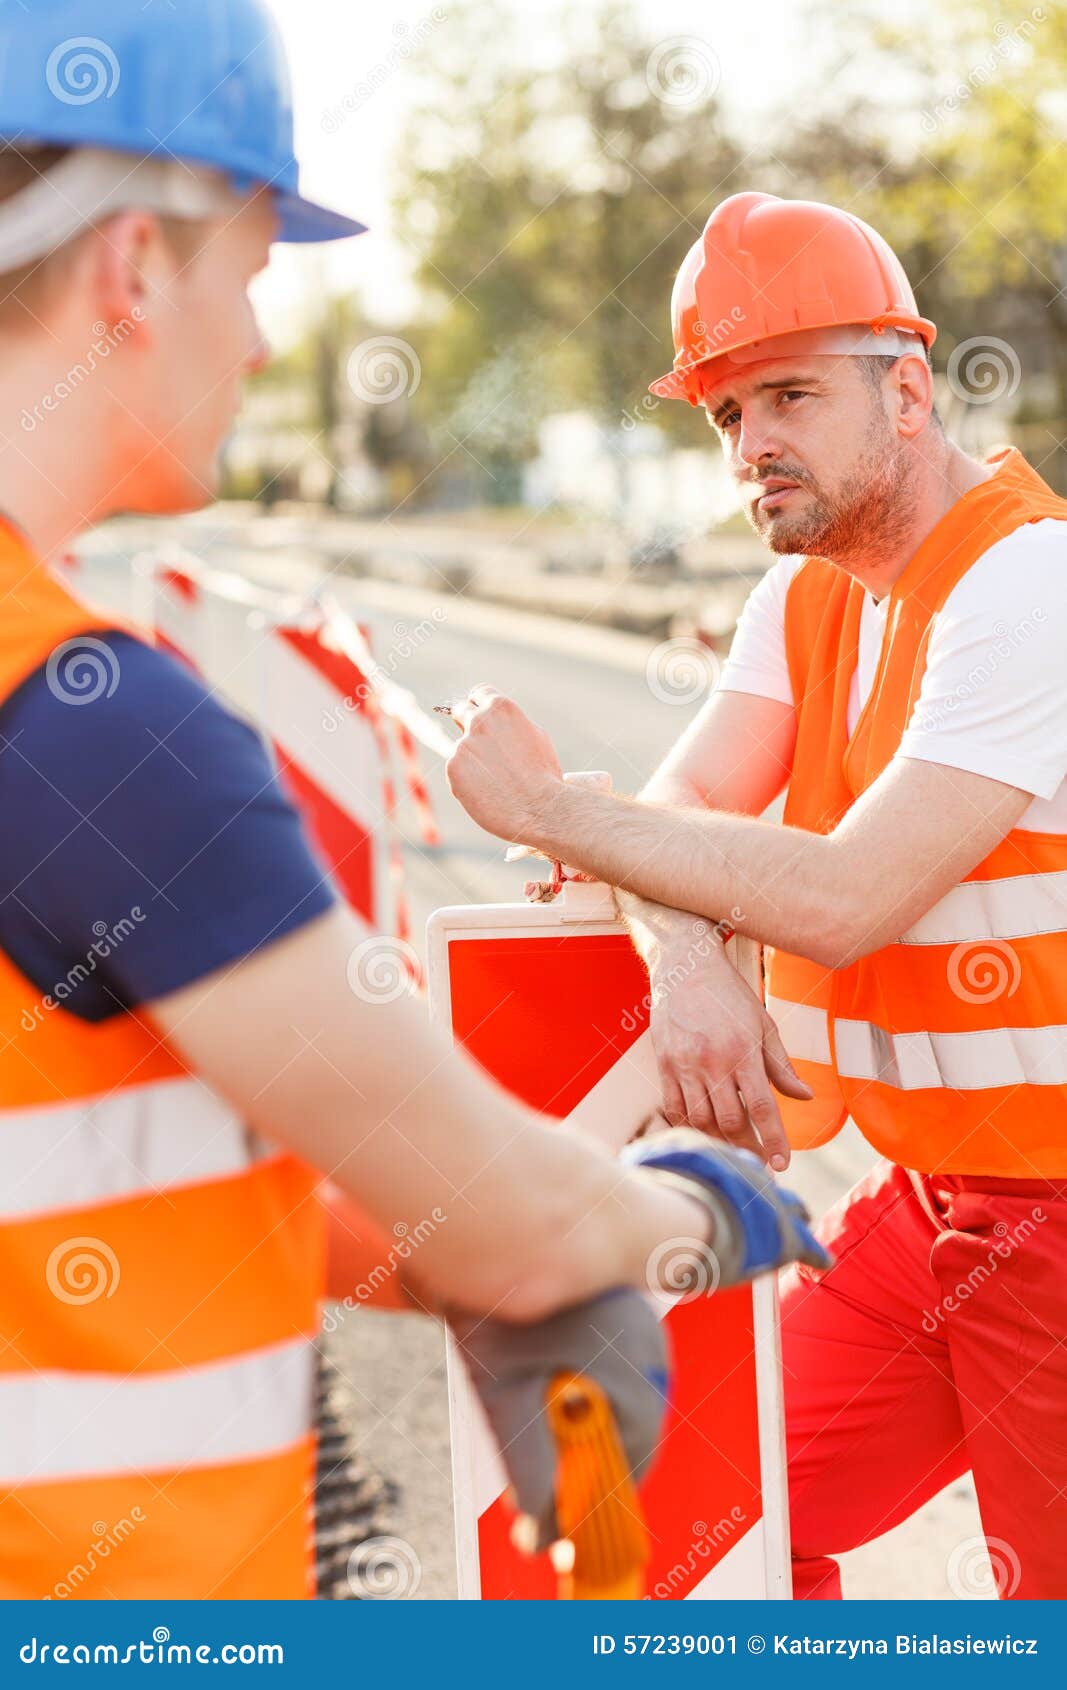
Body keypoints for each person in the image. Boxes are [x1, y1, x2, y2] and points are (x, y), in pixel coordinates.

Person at [0, 11, 826, 1600]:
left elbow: (163, 1170)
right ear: (128, 269)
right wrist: (682, 1214)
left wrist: (464, 1254)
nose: (253, 344)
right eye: (249, 277)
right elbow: (512, 1226)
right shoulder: (100, 738)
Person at [446, 191, 1067, 1600]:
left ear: (908, 390)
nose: (751, 446)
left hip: (1059, 1225)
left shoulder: (1030, 583)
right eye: (726, 415)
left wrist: (556, 813)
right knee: (696, 1521)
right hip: (931, 1213)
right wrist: (685, 962)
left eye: (787, 393)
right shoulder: (807, 600)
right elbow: (677, 817)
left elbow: (846, 897)